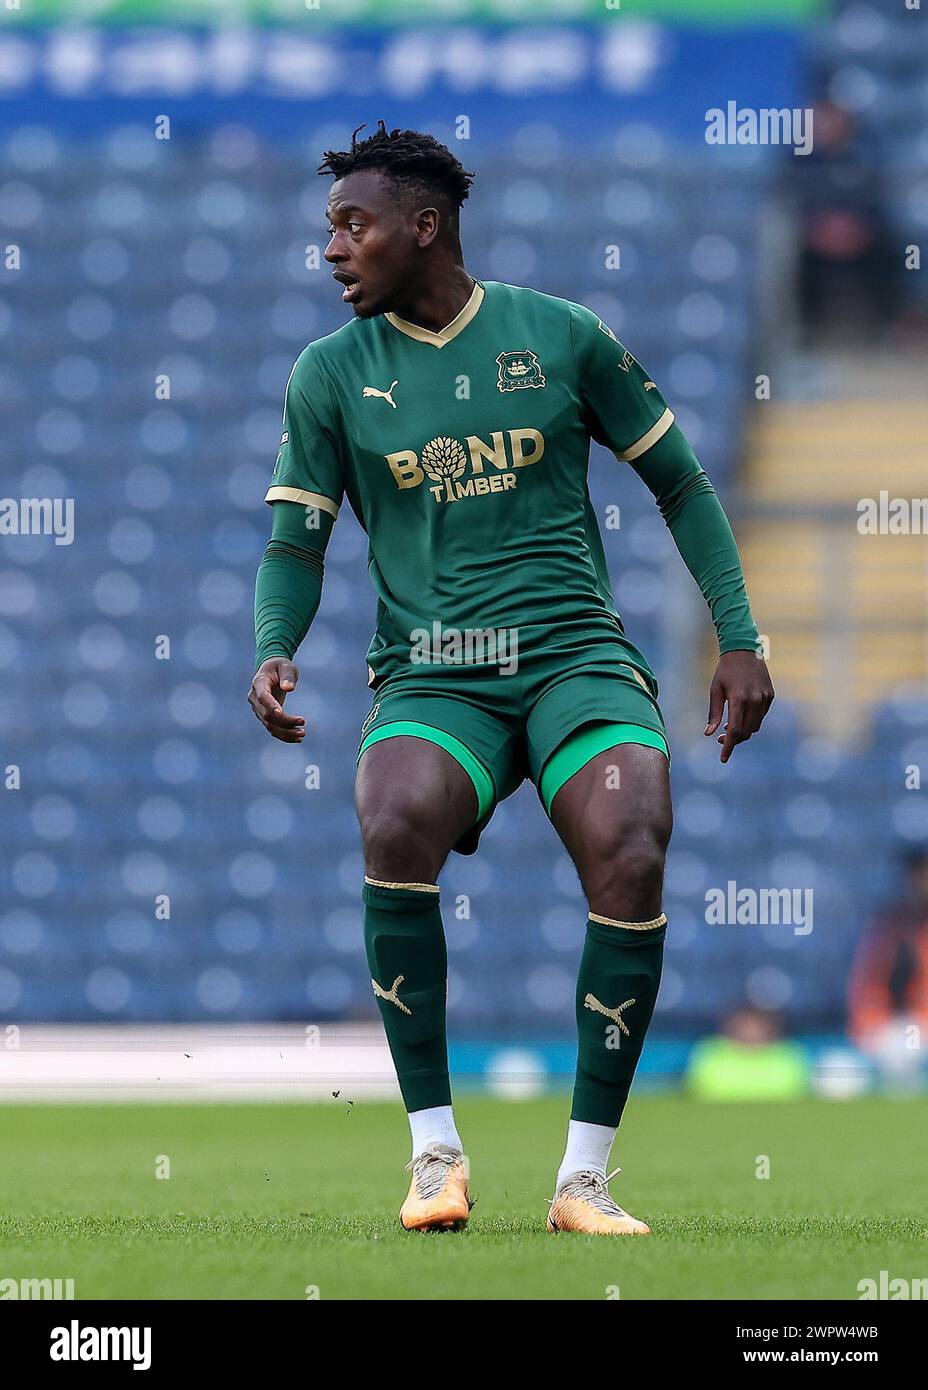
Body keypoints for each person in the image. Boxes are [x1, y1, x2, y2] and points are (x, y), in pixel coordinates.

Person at [249, 123, 774, 1235]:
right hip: (437, 675)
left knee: (632, 846)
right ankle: (434, 1154)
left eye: (354, 224)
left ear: (424, 226)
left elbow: (681, 485)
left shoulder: (561, 336)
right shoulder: (331, 375)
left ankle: (582, 1179)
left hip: (576, 659)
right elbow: (297, 541)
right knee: (391, 821)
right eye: (329, 229)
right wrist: (274, 640)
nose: (333, 249)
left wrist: (738, 634)